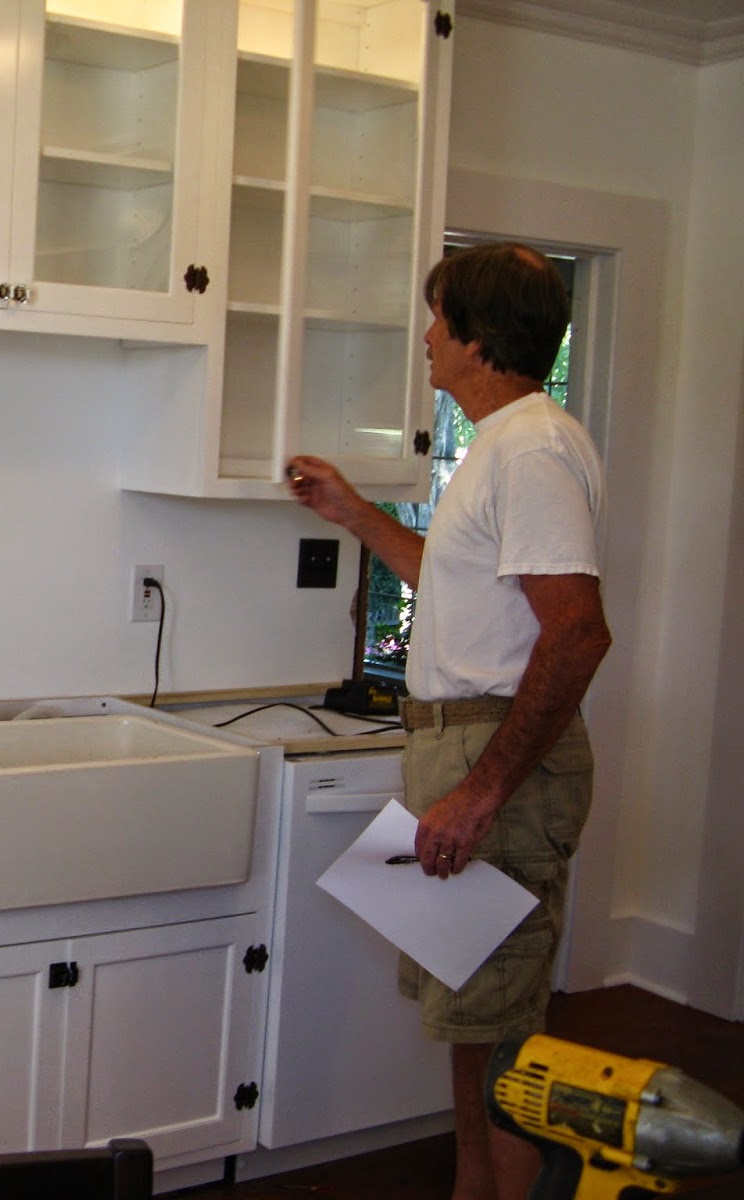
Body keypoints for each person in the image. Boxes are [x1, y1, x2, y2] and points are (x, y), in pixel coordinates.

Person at [287, 242, 612, 1200]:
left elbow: (579, 633)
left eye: (439, 319)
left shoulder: (535, 448)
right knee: (475, 1023)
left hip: (490, 758)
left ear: (477, 337)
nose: (428, 337)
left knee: (503, 1035)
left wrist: (483, 789)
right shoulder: (505, 445)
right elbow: (460, 584)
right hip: (458, 745)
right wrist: (356, 514)